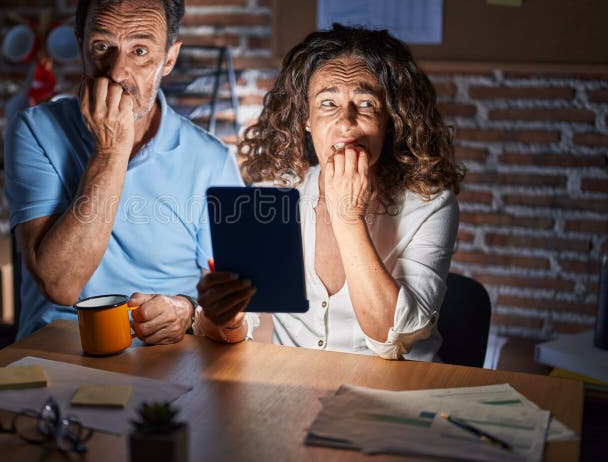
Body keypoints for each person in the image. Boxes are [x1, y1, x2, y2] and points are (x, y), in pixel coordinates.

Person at [195, 24, 465, 360]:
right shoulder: (271, 196)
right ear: (306, 118)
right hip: (296, 393)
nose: (346, 122)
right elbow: (233, 329)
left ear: (390, 118)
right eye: (328, 103)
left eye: (365, 103)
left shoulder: (430, 204)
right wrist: (225, 315)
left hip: (398, 397)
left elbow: (394, 337)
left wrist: (347, 216)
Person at [5, 0, 242, 342]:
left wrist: (188, 312)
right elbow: (60, 285)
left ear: (169, 59)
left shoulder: (211, 160)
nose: (117, 72)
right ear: (81, 44)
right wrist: (112, 148)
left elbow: (242, 306)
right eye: (102, 47)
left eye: (141, 51)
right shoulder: (34, 129)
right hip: (58, 351)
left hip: (163, 355)